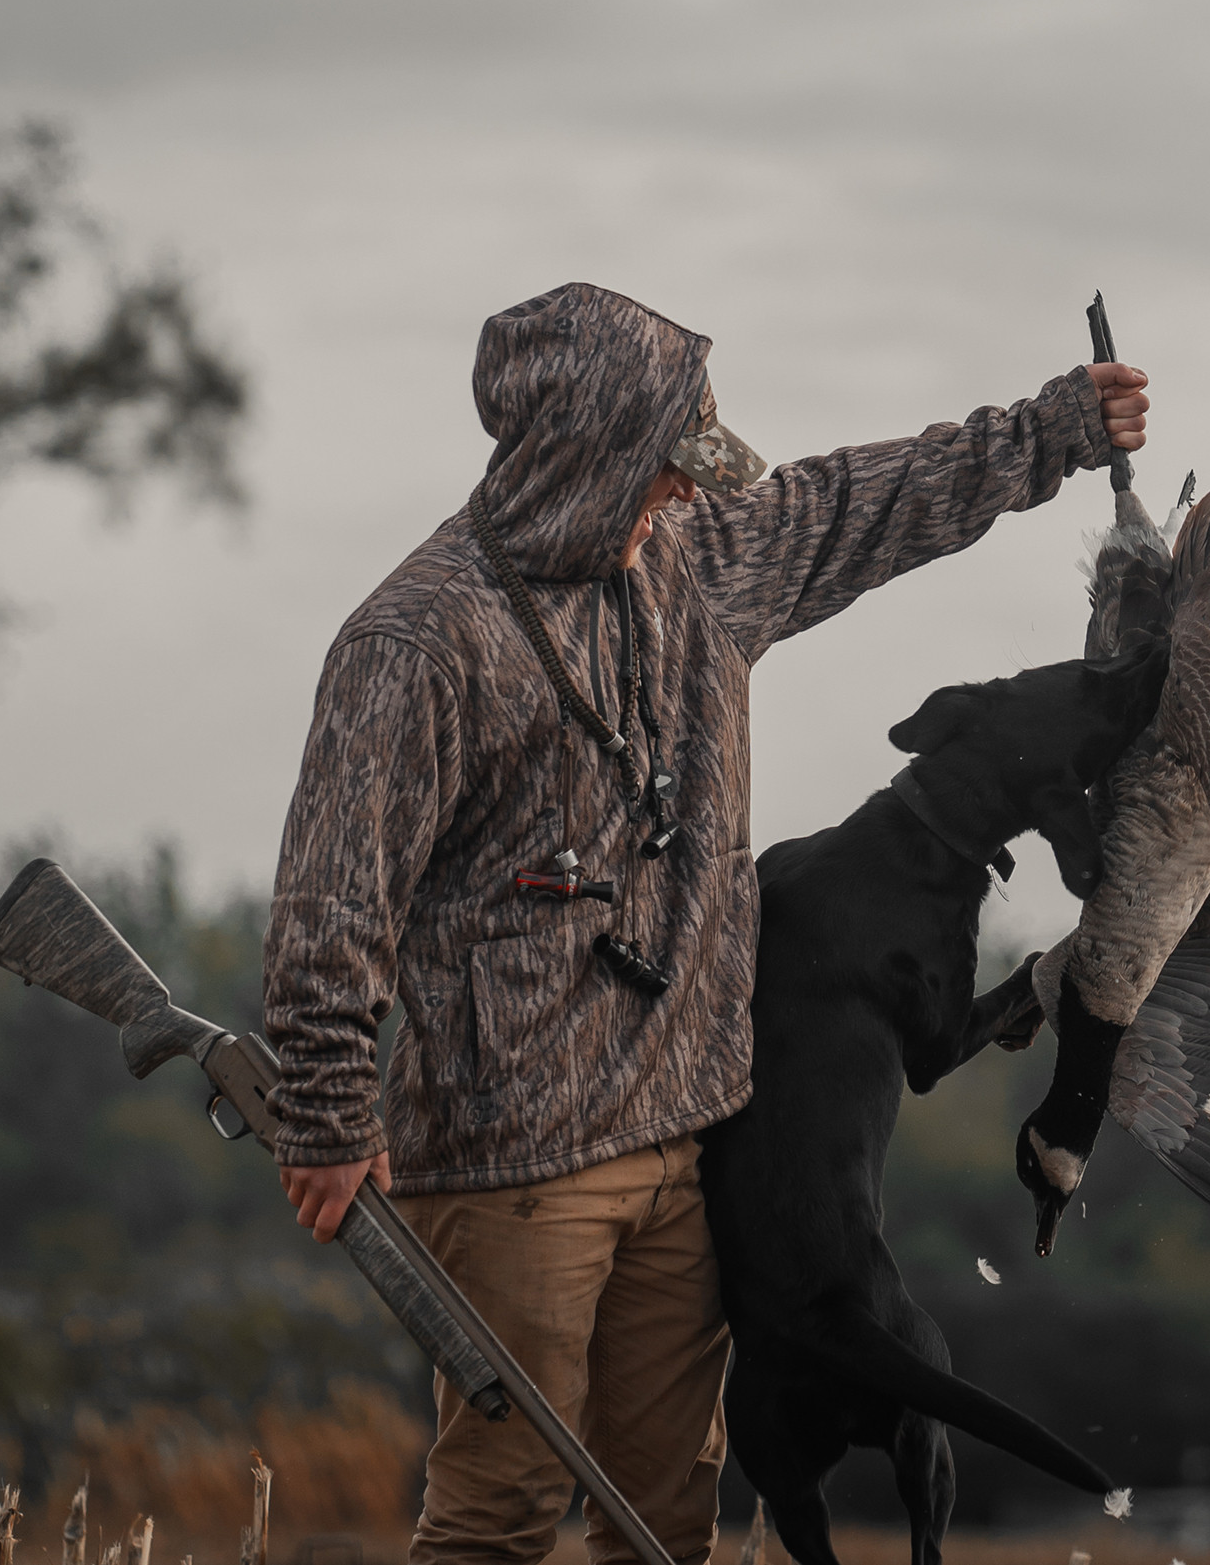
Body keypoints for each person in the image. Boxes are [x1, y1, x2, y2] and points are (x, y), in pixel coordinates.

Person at [262, 283, 1149, 1565]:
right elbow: (333, 890)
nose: (685, 492)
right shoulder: (413, 641)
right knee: (498, 1514)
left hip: (686, 1141)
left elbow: (867, 499)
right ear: (587, 456)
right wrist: (328, 1106)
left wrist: (1056, 428)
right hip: (512, 1162)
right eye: (664, 470)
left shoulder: (708, 562)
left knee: (665, 1517)